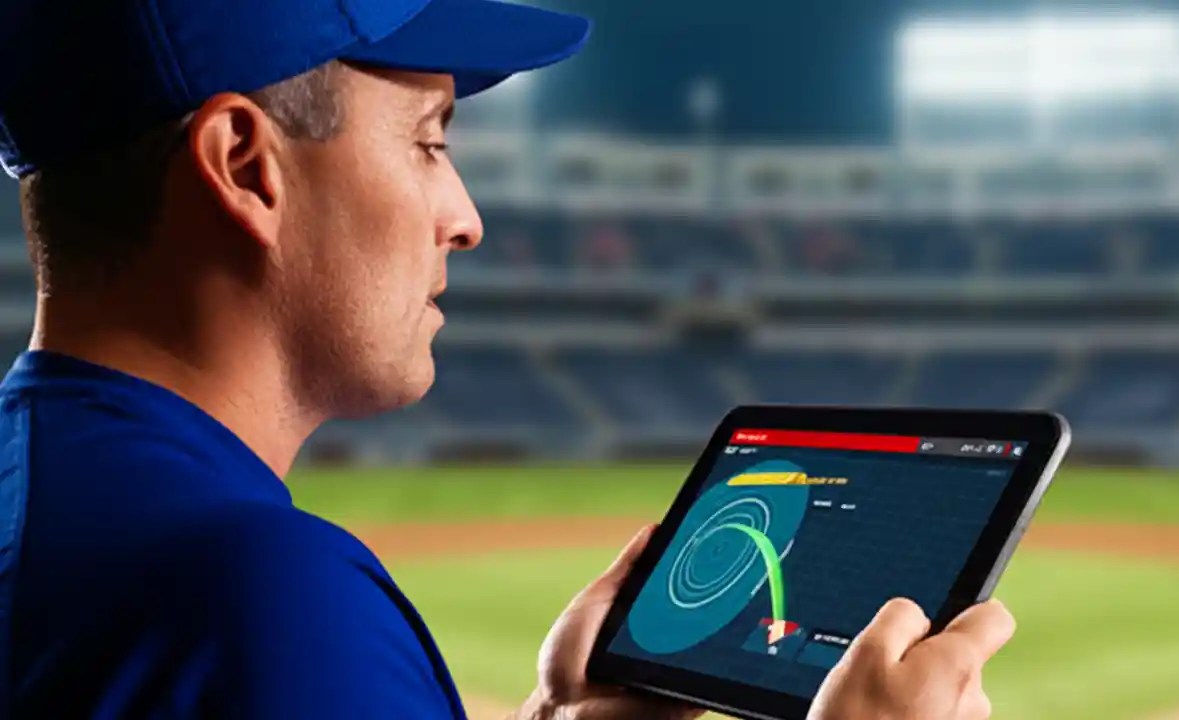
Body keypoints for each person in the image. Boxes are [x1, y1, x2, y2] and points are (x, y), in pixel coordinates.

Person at [0, 0, 1015, 717]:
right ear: (245, 167)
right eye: (430, 143)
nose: (465, 219)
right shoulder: (254, 593)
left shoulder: (50, 493)